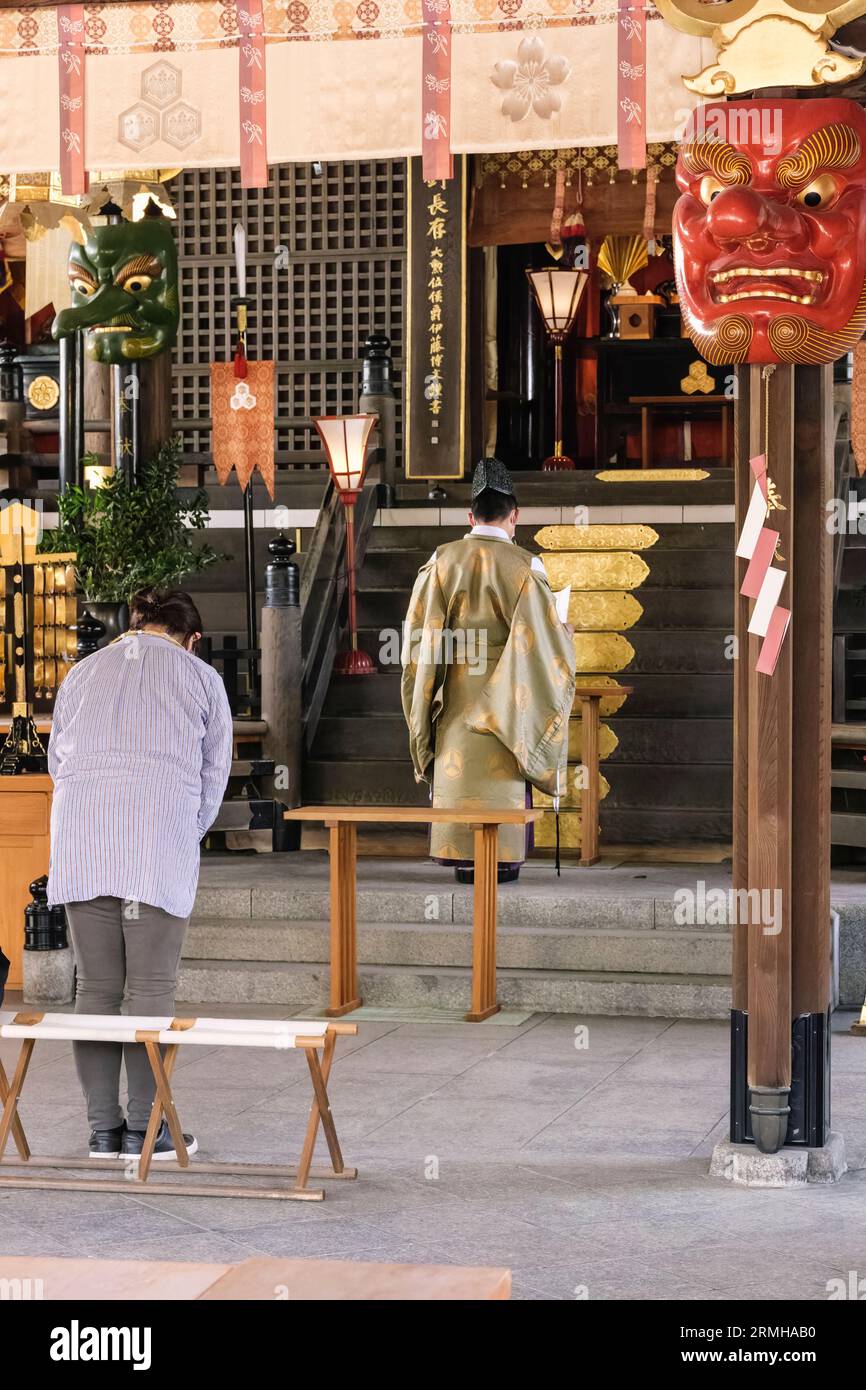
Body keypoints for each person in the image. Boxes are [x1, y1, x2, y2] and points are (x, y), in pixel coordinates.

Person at [47, 588, 233, 1161]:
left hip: (83, 846)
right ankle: (145, 1130)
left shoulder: (81, 671)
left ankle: (104, 1131)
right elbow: (212, 779)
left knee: (95, 989)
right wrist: (180, 831)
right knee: (149, 990)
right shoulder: (202, 680)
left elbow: (59, 761)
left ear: (135, 624)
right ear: (192, 638)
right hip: (155, 848)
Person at [401, 458, 576, 884]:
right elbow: (543, 647)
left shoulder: (440, 561)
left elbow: (419, 643)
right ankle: (503, 860)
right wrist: (563, 635)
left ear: (470, 515)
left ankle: (460, 857)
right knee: (504, 768)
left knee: (457, 765)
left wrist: (425, 701)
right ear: (514, 515)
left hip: (455, 693)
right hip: (508, 698)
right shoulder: (527, 567)